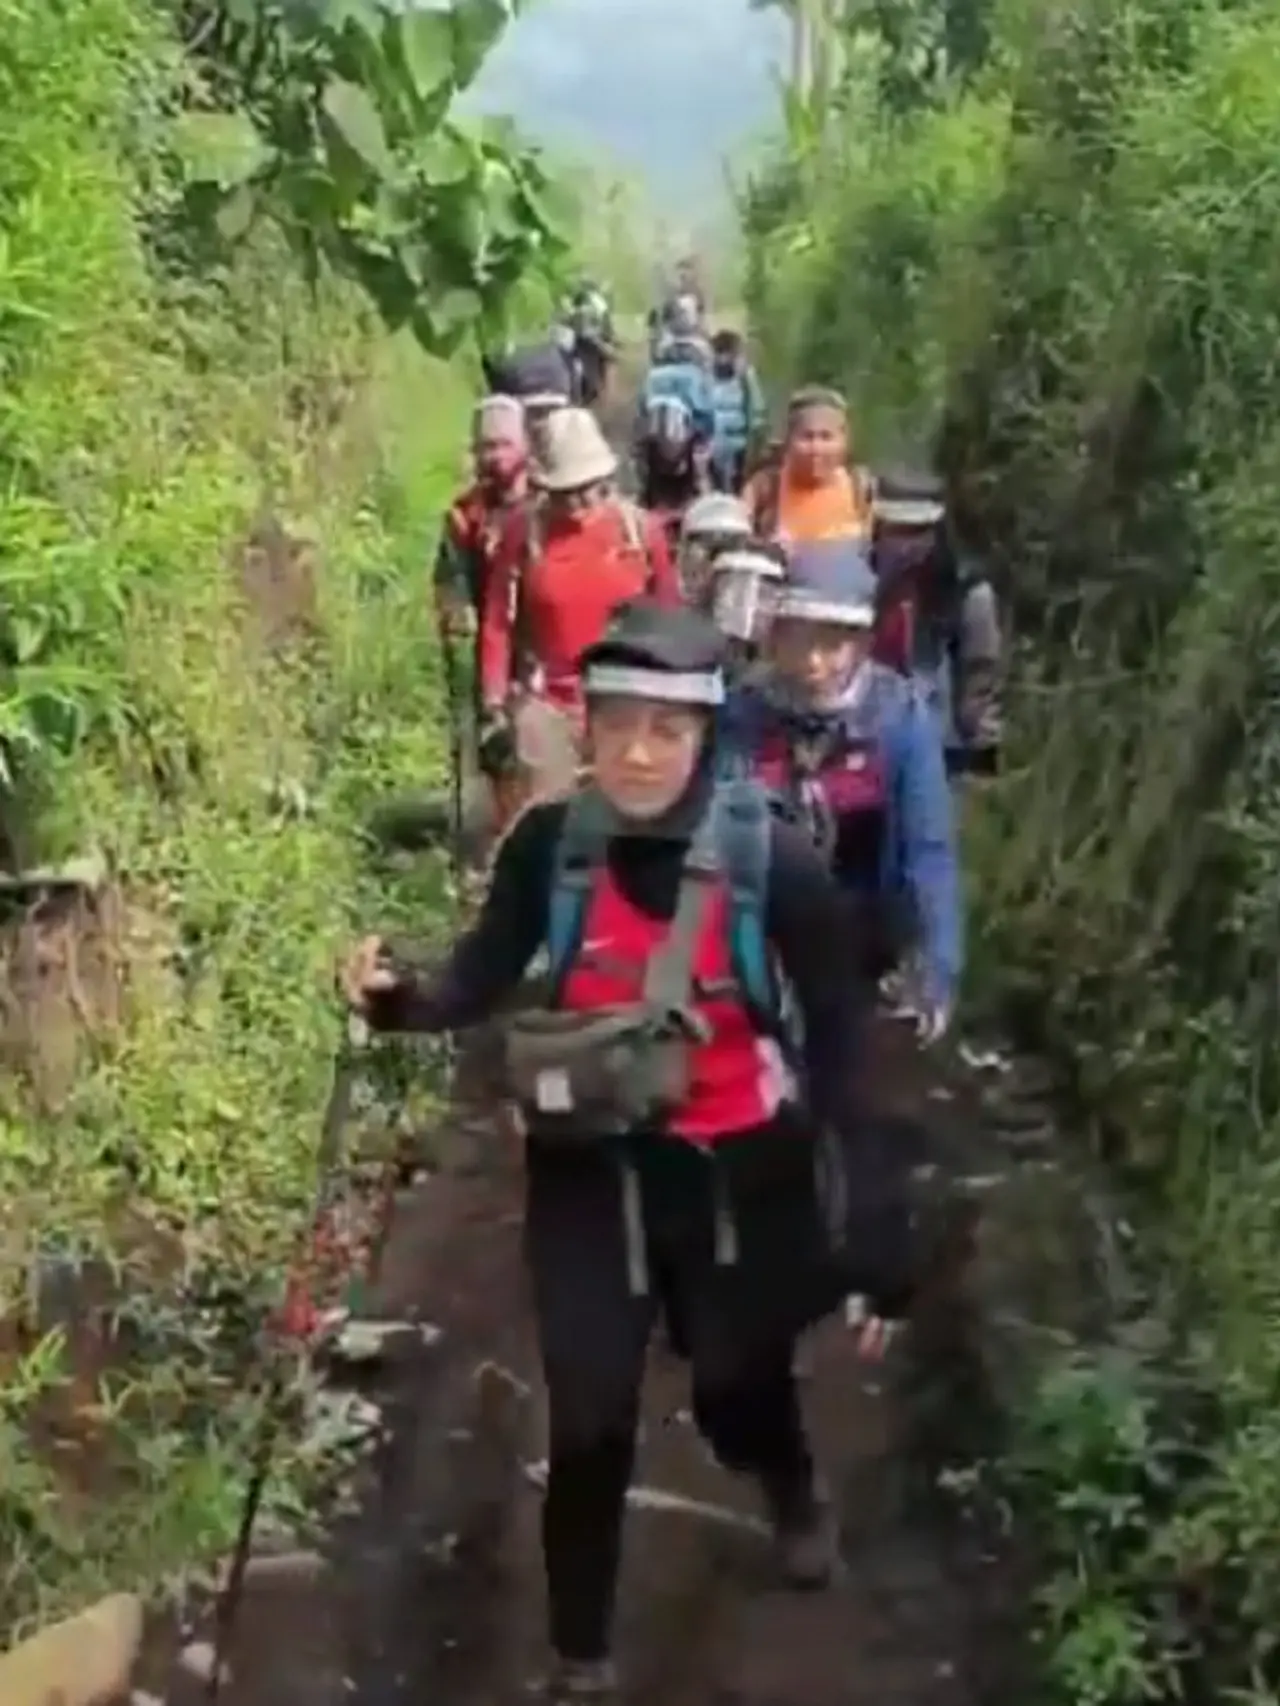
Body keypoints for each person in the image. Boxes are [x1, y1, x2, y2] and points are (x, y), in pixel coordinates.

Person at [341, 598, 915, 1703]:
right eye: (616, 725)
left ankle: (790, 1484)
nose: (638, 752)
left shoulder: (773, 863)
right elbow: (480, 972)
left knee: (734, 1388)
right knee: (590, 1411)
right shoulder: (549, 848)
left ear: (705, 735)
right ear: (588, 726)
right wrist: (397, 996)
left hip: (740, 1168)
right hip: (588, 1167)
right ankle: (579, 1656)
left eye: (666, 727)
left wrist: (879, 1227)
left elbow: (842, 1050)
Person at [722, 537, 961, 1042]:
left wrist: (936, 968)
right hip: (757, 928)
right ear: (775, 636)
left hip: (863, 929)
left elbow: (928, 850)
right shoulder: (742, 714)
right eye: (799, 639)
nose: (813, 662)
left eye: (832, 644)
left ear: (862, 644)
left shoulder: (900, 719)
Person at [477, 408, 680, 835]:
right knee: (543, 814)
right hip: (546, 699)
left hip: (624, 694)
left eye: (588, 490)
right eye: (564, 492)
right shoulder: (523, 533)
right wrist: (493, 698)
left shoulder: (639, 532)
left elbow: (669, 616)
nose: (578, 503)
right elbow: (498, 619)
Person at [872, 470, 1002, 777]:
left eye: (918, 531)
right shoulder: (858, 576)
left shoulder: (967, 590)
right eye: (896, 529)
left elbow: (980, 671)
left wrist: (982, 744)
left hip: (937, 744)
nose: (906, 543)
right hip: (863, 738)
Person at [743, 387, 874, 546]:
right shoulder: (764, 487)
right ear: (789, 440)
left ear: (844, 441)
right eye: (807, 437)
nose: (816, 449)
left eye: (826, 437)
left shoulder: (859, 486)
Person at [633, 395, 708, 536]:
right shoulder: (645, 451)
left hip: (684, 503)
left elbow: (701, 486)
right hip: (657, 505)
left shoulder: (696, 449)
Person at [709, 330, 765, 494]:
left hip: (738, 444)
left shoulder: (745, 376)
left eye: (727, 353)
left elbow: (755, 406)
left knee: (736, 485)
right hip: (712, 443)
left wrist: (755, 433)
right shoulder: (706, 375)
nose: (723, 358)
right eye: (719, 353)